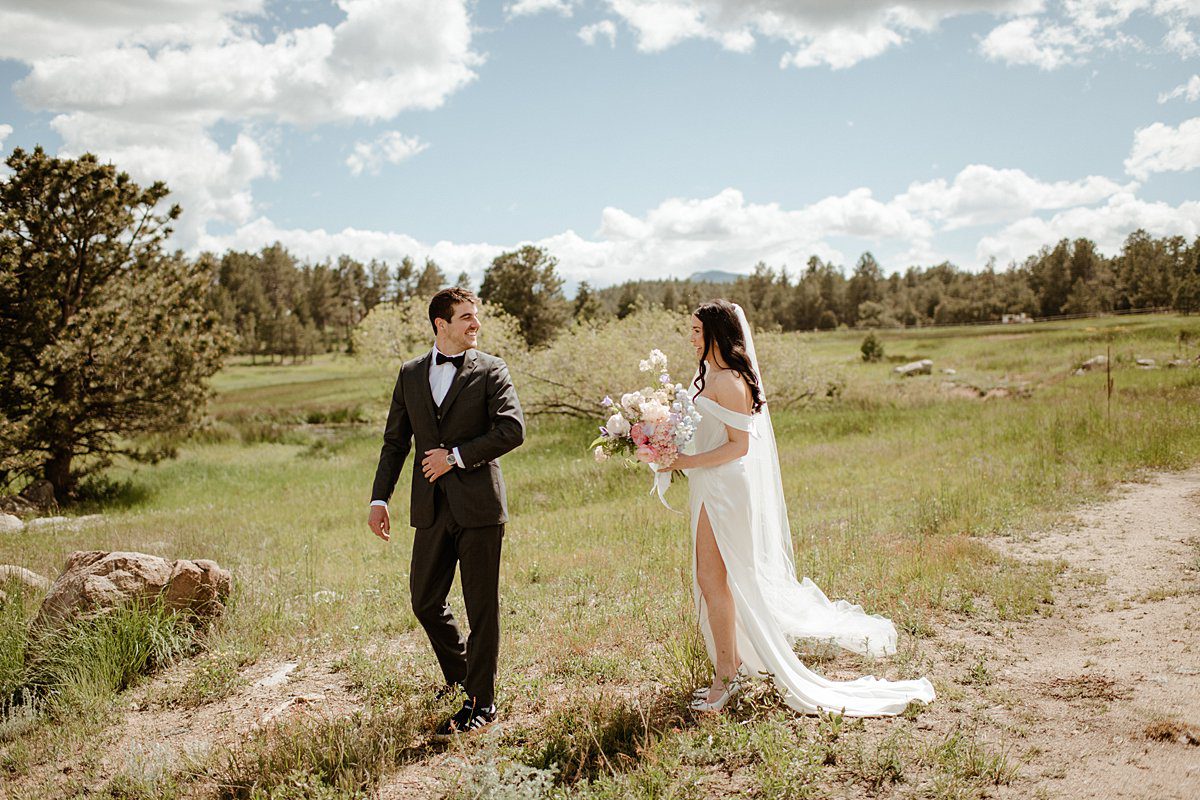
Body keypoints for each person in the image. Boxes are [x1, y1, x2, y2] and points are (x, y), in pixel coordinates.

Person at [662, 299, 934, 715]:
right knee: (710, 579)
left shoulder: (731, 381)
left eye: (697, 331)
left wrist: (687, 461)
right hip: (709, 485)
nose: (692, 338)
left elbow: (739, 447)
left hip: (724, 489)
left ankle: (728, 676)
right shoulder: (710, 375)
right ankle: (729, 667)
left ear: (716, 333)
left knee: (718, 580)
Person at [368, 287, 525, 739]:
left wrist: (455, 457)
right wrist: (380, 499)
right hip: (431, 508)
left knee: (481, 607)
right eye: (466, 317)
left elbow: (512, 429)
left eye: (476, 316)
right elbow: (395, 442)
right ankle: (462, 677)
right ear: (441, 324)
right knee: (424, 600)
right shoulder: (410, 373)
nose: (476, 324)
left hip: (479, 507)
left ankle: (481, 703)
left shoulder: (492, 369)